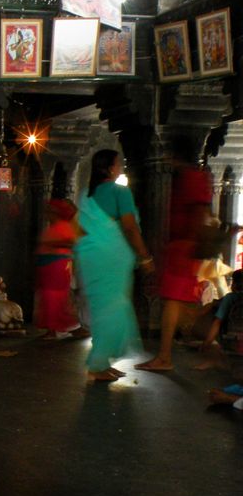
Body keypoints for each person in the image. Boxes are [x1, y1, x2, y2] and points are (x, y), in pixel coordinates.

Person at [136, 136, 214, 372]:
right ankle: (213, 349)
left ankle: (165, 356)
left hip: (184, 248)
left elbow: (199, 213)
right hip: (181, 248)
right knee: (181, 307)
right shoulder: (189, 178)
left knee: (174, 303)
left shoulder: (192, 178)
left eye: (170, 155)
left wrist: (190, 246)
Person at [74, 150, 153, 382]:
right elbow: (130, 227)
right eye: (120, 163)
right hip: (112, 258)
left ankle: (101, 363)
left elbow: (79, 231)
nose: (122, 167)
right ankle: (97, 366)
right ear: (110, 168)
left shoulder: (86, 196)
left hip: (92, 259)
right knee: (112, 308)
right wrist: (145, 257)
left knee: (102, 309)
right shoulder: (120, 192)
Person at [35, 199, 83, 339]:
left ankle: (67, 329)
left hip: (58, 265)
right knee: (49, 297)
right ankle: (54, 329)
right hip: (50, 265)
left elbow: (72, 242)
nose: (47, 215)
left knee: (54, 297)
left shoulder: (64, 226)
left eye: (50, 212)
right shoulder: (55, 227)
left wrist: (52, 243)